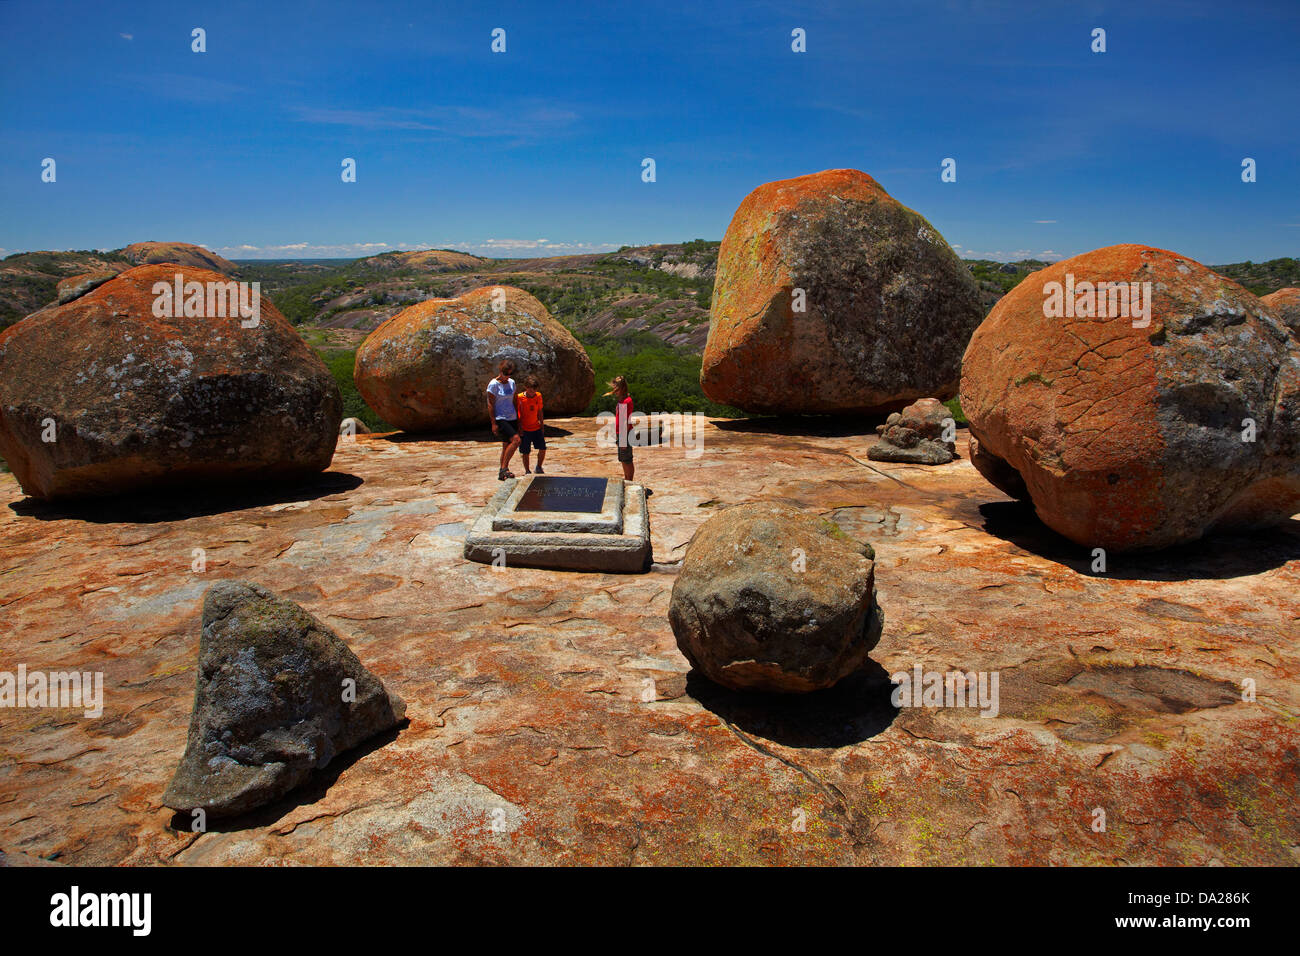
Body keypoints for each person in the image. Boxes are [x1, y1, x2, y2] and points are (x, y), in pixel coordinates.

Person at [486, 360, 521, 480]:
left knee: (506, 446)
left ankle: (502, 472)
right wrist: (493, 423)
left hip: (512, 417)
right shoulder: (493, 384)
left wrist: (519, 418)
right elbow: (490, 404)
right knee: (516, 440)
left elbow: (515, 400)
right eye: (505, 373)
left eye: (510, 374)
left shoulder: (512, 383)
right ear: (500, 371)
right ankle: (504, 469)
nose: (507, 376)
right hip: (501, 418)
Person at [606, 375, 635, 481]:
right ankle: (627, 479)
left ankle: (629, 480)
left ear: (622, 388)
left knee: (627, 459)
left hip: (625, 434)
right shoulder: (621, 401)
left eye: (616, 389)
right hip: (622, 433)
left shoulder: (626, 401)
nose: (615, 391)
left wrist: (622, 439)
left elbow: (625, 422)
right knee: (623, 459)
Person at [517, 376, 546, 475]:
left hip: (536, 427)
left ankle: (539, 466)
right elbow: (518, 414)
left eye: (534, 389)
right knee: (525, 451)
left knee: (542, 448)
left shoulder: (538, 396)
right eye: (530, 388)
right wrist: (519, 428)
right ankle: (527, 470)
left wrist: (542, 424)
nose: (532, 391)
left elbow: (540, 411)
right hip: (525, 429)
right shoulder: (520, 397)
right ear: (526, 387)